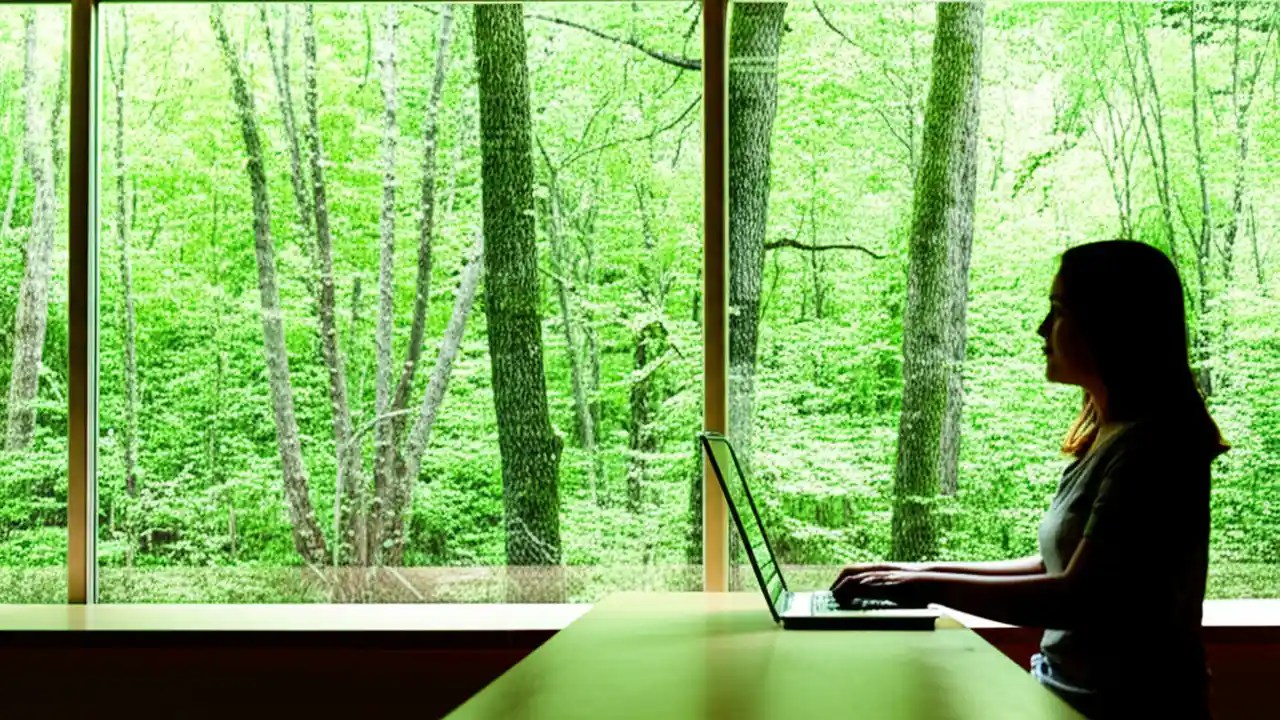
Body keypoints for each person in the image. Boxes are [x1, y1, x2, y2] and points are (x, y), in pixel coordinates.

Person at [831, 240, 1227, 719]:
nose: (1043, 328)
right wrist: (913, 573)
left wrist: (923, 587)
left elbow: (1077, 596)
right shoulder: (1112, 436)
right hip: (1066, 696)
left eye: (1058, 310)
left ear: (1109, 323)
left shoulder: (1152, 451)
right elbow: (1052, 565)